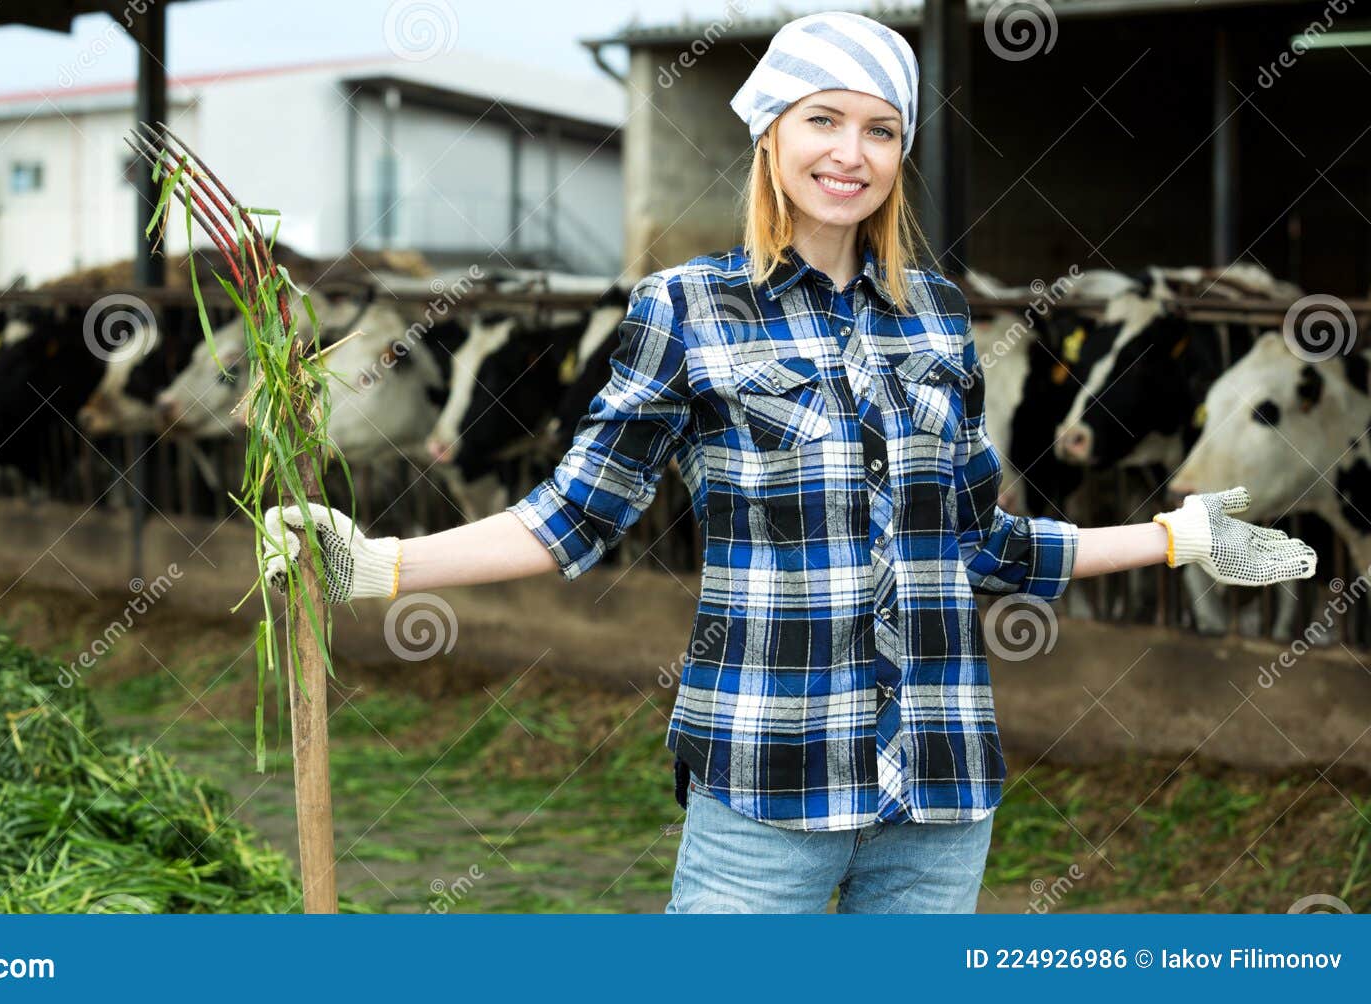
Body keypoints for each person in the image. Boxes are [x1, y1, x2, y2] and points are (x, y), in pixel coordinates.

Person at [261, 10, 1317, 914]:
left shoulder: (939, 320)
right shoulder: (684, 309)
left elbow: (980, 542)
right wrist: (381, 564)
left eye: (880, 129)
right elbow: (571, 514)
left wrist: (1182, 535)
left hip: (941, 787)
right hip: (765, 779)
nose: (849, 152)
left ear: (901, 152)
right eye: (823, 119)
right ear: (771, 132)